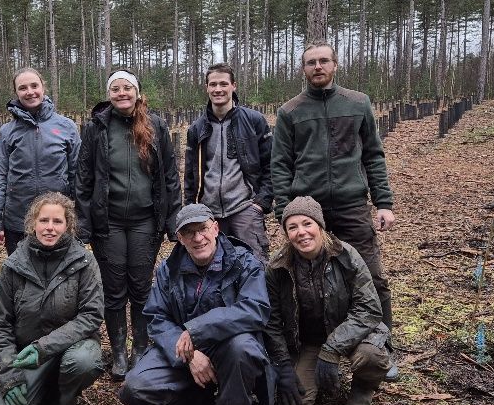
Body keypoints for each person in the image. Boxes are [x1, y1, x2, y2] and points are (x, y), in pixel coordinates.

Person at [270, 42, 398, 379]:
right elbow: (280, 165)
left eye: (323, 61)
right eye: (311, 62)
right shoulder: (290, 111)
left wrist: (383, 202)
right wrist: (284, 213)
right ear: (303, 69)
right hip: (308, 210)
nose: (318, 67)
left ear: (335, 65)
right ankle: (308, 344)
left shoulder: (357, 103)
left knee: (373, 275)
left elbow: (373, 155)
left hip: (351, 205)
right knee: (305, 279)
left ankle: (383, 345)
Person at [119, 204, 274, 405]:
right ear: (180, 238)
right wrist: (190, 356)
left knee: (242, 347)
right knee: (134, 389)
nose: (198, 238)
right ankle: (199, 397)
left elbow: (255, 309)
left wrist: (198, 329)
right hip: (183, 350)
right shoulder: (168, 269)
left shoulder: (244, 262)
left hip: (228, 348)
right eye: (189, 232)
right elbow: (156, 317)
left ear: (215, 228)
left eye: (202, 229)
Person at [75, 69, 181, 380]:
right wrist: (83, 222)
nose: (122, 93)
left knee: (141, 286)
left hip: (145, 220)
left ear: (137, 92)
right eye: (115, 89)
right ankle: (119, 350)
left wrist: (173, 219)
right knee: (114, 289)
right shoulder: (96, 127)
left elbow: (170, 176)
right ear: (109, 94)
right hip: (107, 223)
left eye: (127, 88)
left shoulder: (156, 125)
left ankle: (141, 347)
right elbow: (83, 177)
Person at [0, 192, 104, 405]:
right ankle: (40, 394)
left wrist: (43, 347)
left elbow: (91, 315)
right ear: (33, 223)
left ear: (68, 225)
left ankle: (65, 402)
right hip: (26, 356)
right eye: (43, 220)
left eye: (57, 221)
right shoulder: (13, 265)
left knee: (83, 361)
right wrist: (9, 374)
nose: (50, 227)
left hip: (69, 348)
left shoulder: (84, 262)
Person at [264, 197, 390, 405]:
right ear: (286, 234)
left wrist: (332, 349)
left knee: (371, 356)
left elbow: (369, 309)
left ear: (320, 226)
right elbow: (272, 321)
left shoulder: (346, 256)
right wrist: (283, 366)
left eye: (307, 224)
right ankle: (317, 378)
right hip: (309, 341)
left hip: (352, 334)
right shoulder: (277, 266)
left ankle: (363, 387)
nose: (301, 232)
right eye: (292, 227)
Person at [184, 62, 273, 262]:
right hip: (209, 213)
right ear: (206, 88)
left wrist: (261, 203)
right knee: (215, 268)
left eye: (223, 84)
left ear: (234, 86)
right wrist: (191, 209)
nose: (218, 89)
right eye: (213, 84)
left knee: (255, 265)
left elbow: (271, 164)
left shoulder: (254, 121)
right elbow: (190, 175)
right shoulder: (197, 128)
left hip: (245, 208)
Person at [0, 68, 80, 256]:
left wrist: (79, 218)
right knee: (20, 271)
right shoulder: (7, 131)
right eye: (23, 88)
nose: (30, 92)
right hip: (17, 220)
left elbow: (77, 176)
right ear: (16, 93)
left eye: (34, 86)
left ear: (43, 88)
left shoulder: (66, 127)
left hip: (56, 220)